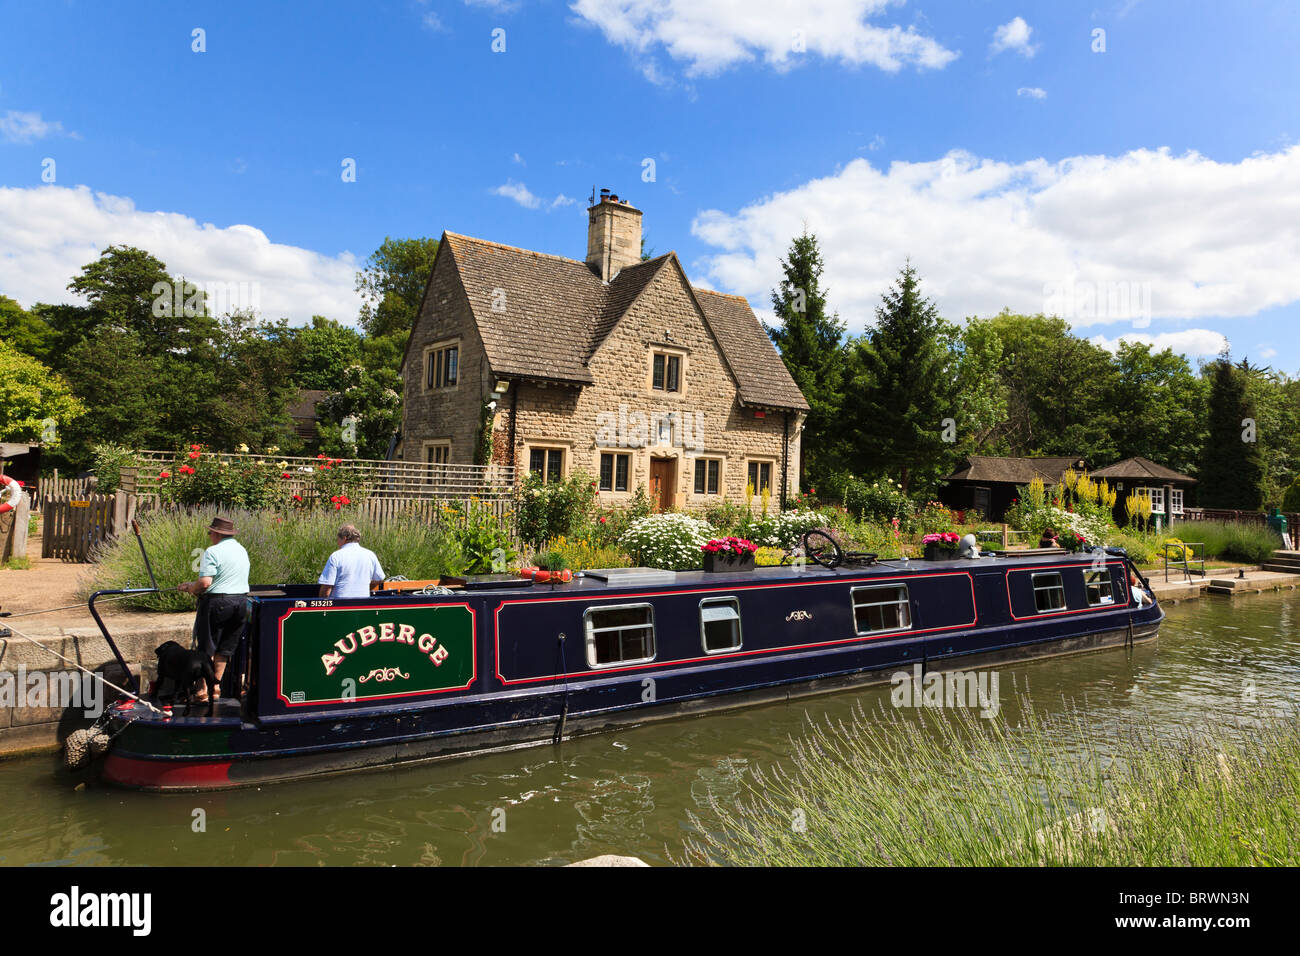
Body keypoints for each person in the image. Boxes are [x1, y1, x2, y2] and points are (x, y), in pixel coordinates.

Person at [177, 516, 250, 701]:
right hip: (241, 602)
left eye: (210, 532)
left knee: (207, 648)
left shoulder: (213, 551)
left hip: (218, 602)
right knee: (225, 648)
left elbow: (204, 583)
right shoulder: (242, 550)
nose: (209, 536)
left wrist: (190, 588)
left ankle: (202, 691)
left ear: (217, 533)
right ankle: (215, 688)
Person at [319, 524, 385, 599]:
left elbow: (326, 588)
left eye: (338, 539)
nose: (337, 542)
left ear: (344, 538)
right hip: (363, 604)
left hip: (339, 605)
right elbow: (379, 579)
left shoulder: (336, 556)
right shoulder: (370, 555)